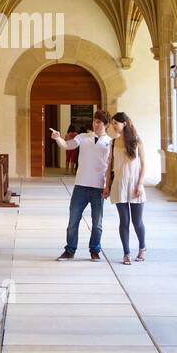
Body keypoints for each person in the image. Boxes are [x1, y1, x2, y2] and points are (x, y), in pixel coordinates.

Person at [50, 110, 112, 261]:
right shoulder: (83, 137)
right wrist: (58, 138)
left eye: (98, 122)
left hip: (98, 186)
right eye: (94, 121)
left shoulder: (110, 142)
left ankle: (95, 250)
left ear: (106, 124)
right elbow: (67, 145)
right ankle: (70, 250)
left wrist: (108, 186)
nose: (95, 124)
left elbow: (111, 165)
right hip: (81, 185)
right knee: (73, 220)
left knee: (97, 223)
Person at [104, 111, 146, 265]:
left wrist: (140, 184)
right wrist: (107, 186)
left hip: (135, 185)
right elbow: (109, 167)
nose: (113, 125)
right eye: (113, 123)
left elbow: (143, 165)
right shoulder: (113, 142)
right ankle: (126, 253)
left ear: (125, 123)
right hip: (119, 185)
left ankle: (142, 248)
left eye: (116, 123)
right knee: (124, 221)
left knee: (137, 221)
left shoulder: (137, 141)